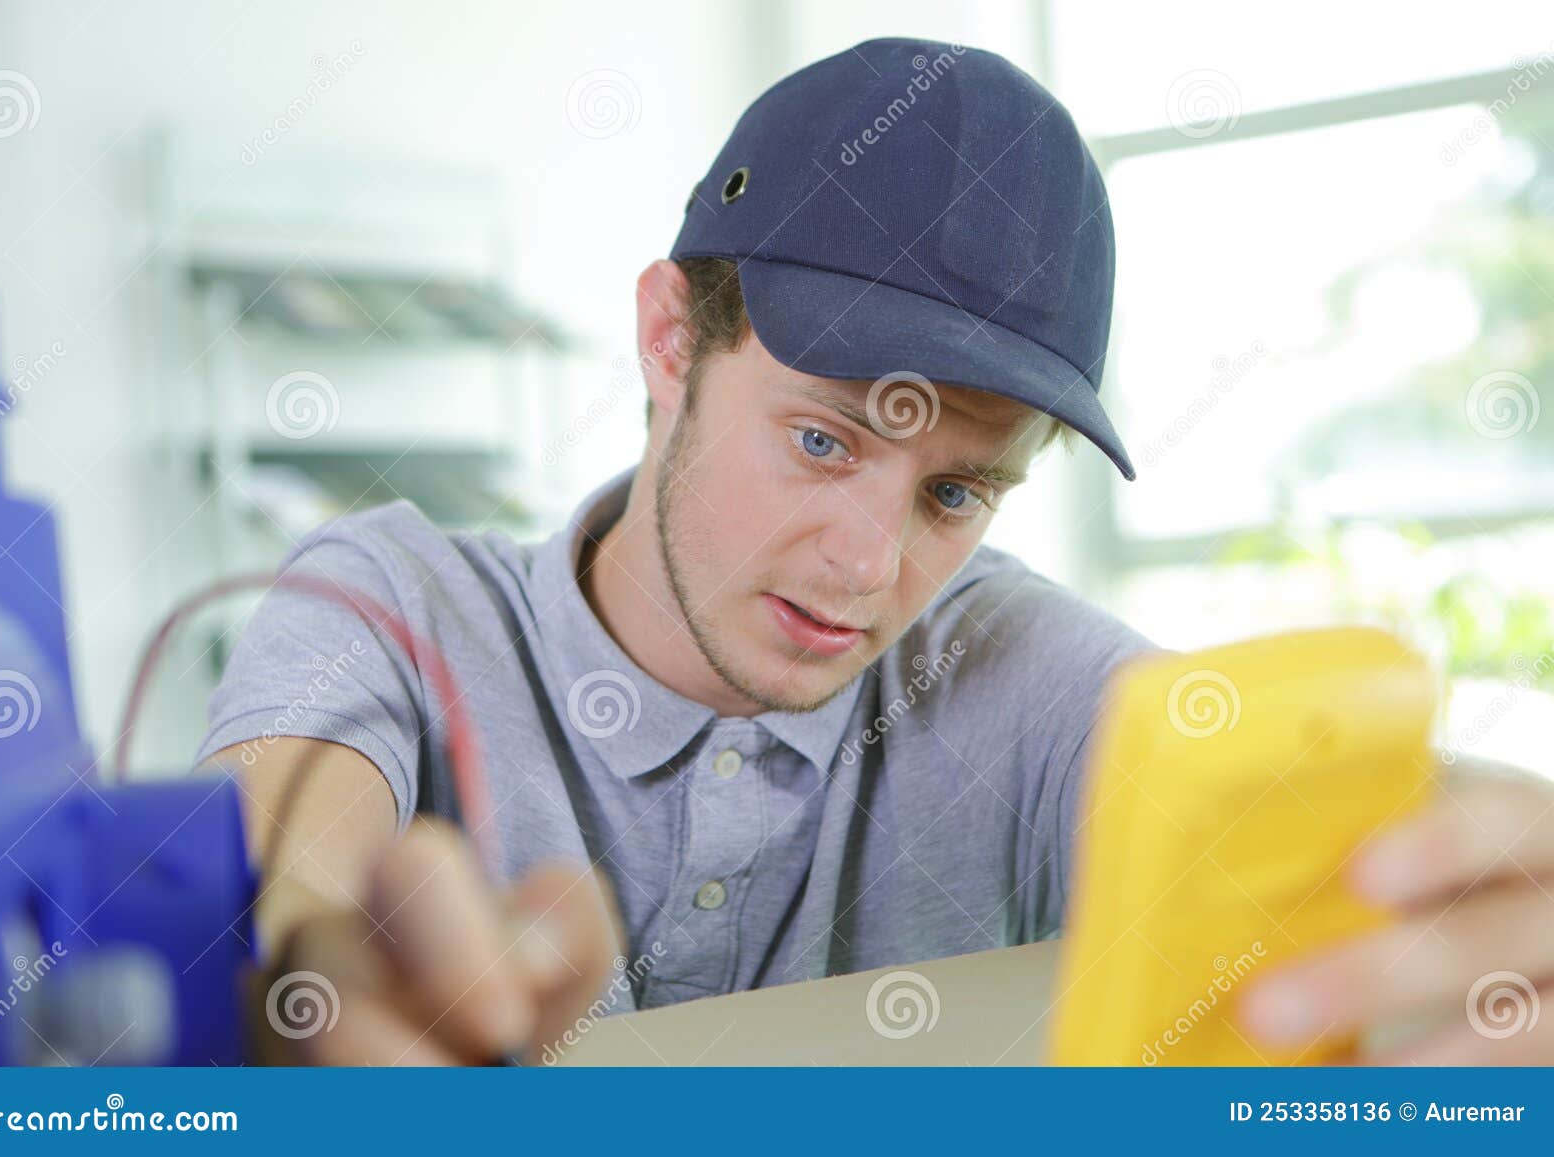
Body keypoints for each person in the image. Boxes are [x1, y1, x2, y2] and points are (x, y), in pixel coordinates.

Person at [199, 38, 1554, 1066]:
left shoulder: (1014, 672)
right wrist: (307, 990)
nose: (867, 568)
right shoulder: (385, 601)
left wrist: (1461, 882)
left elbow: (1271, 819)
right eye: (826, 443)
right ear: (673, 337)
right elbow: (275, 906)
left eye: (956, 492)